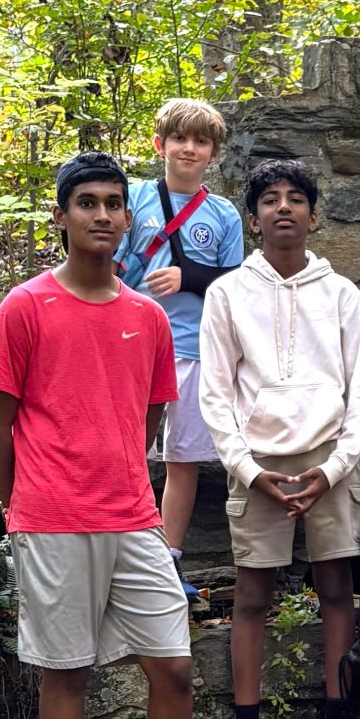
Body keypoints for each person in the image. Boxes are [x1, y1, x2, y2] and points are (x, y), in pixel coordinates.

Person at [0, 152, 239, 719]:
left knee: (176, 666)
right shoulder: (25, 308)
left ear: (130, 218)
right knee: (66, 671)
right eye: (86, 202)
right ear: (60, 217)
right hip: (51, 518)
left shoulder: (148, 316)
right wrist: (21, 508)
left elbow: (152, 421)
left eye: (113, 203)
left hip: (133, 517)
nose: (100, 214)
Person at [199, 160, 360, 719]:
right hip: (260, 466)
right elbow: (215, 394)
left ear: (313, 215)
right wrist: (247, 470)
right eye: (269, 200)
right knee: (251, 599)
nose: (282, 209)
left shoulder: (341, 294)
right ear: (252, 218)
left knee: (335, 591)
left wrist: (334, 469)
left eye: (295, 199)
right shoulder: (227, 294)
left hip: (328, 460)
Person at [115, 98, 244, 598]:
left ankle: (167, 559)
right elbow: (113, 262)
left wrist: (188, 275)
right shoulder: (137, 197)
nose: (189, 149)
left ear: (213, 152)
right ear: (160, 144)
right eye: (179, 139)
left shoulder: (223, 213)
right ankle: (124, 551)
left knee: (182, 458)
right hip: (131, 347)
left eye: (201, 142)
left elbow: (235, 285)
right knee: (127, 451)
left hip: (192, 349)